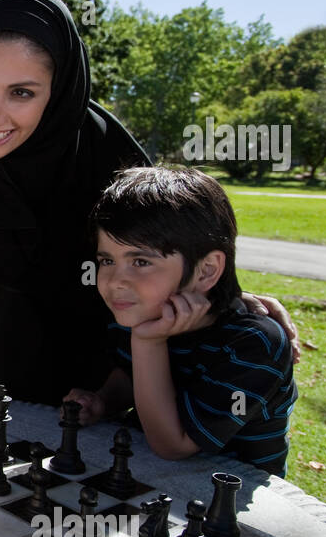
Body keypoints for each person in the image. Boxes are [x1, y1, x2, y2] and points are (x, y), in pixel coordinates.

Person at [0, 0, 297, 403]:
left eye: (22, 93)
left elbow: (167, 242)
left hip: (85, 364)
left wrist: (223, 298)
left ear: (60, 89)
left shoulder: (105, 153)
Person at [64, 167, 297, 477]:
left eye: (141, 261)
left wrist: (148, 341)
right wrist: (104, 401)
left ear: (206, 271)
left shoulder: (255, 345)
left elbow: (173, 446)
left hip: (229, 503)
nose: (115, 281)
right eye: (107, 260)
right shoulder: (138, 310)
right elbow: (133, 376)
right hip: (152, 480)